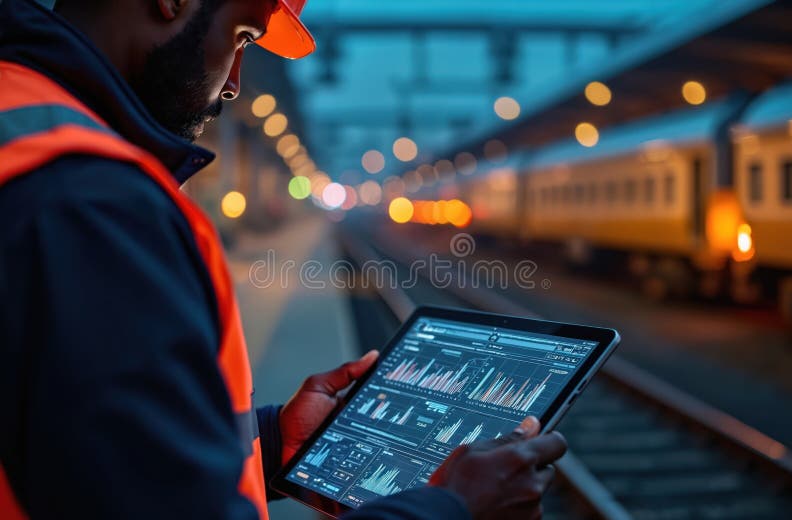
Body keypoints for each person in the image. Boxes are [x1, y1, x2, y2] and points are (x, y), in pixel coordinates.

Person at [0, 0, 568, 519]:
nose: (236, 84)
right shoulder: (92, 204)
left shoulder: (23, 126)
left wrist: (271, 445)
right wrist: (451, 509)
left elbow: (88, 455)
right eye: (243, 37)